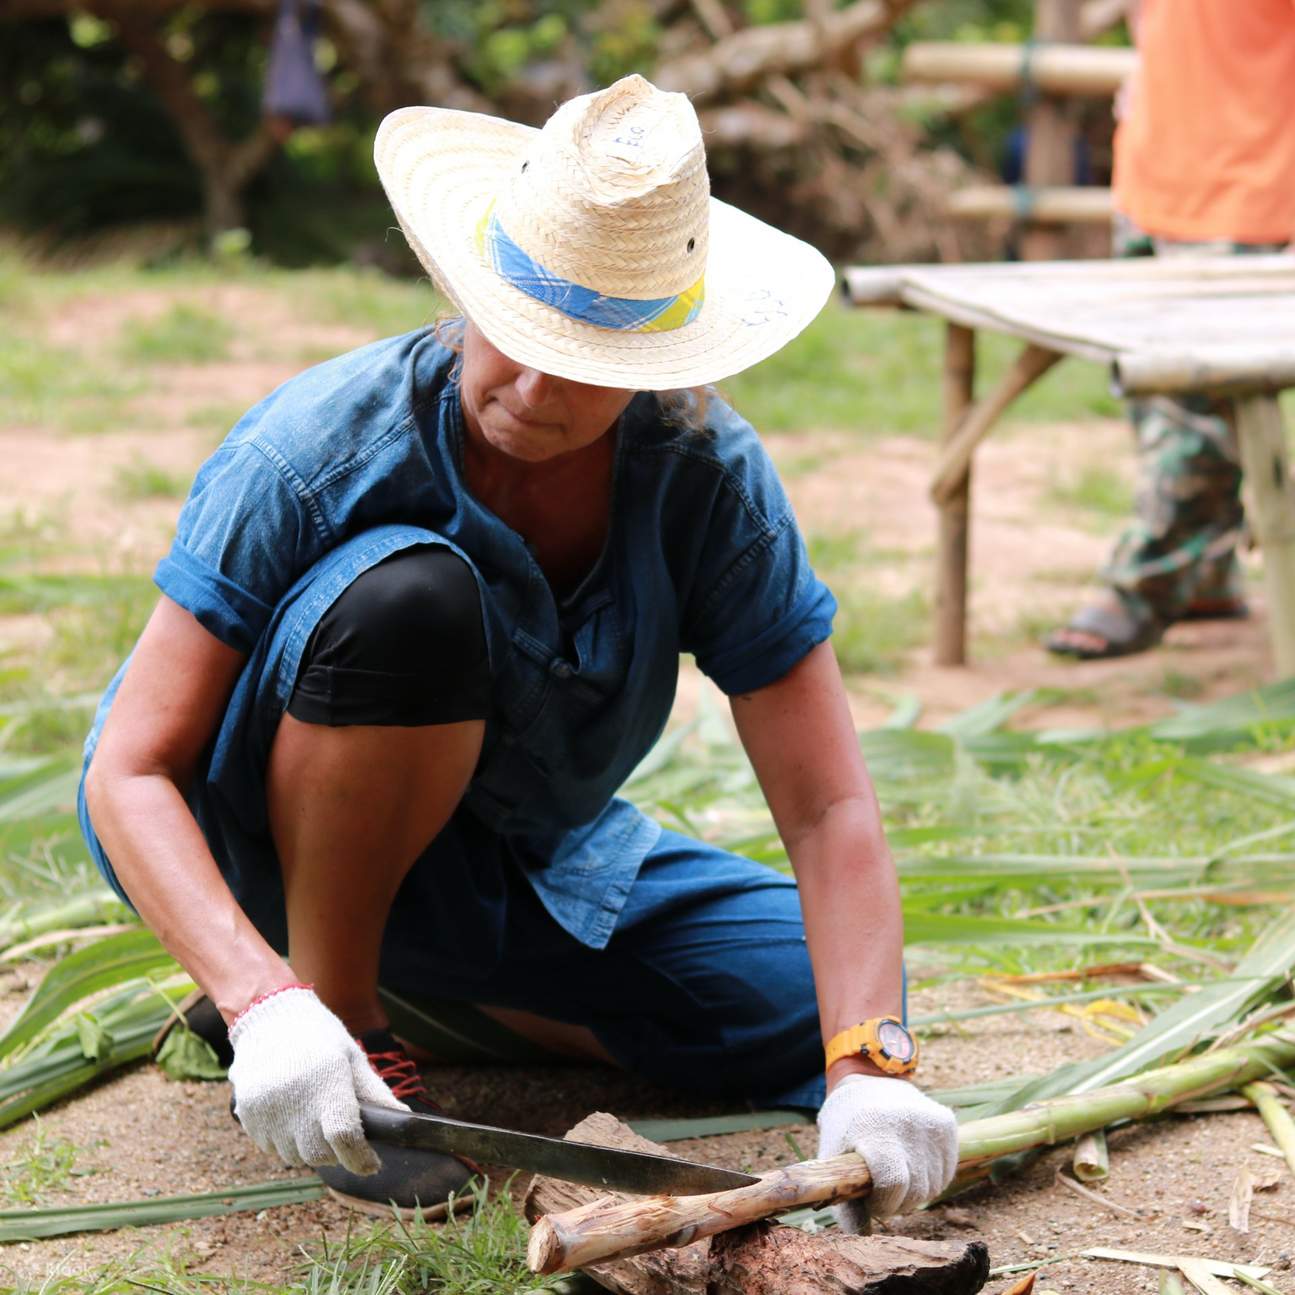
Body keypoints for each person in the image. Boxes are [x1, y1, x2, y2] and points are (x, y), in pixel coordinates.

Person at [78, 75, 957, 1221]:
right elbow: (128, 768)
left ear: (661, 360)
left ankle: (414, 984)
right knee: (412, 604)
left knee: (808, 1000)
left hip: (525, 857)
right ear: (468, 286)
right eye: (519, 327)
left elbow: (828, 810)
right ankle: (332, 1011)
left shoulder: (705, 483)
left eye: (587, 357)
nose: (534, 388)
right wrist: (264, 1004)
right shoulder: (314, 449)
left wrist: (867, 1069)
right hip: (254, 832)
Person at [1045, 0, 1295, 660]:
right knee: (1155, 407)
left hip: (1251, 195)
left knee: (1193, 415)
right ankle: (1206, 572)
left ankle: (1144, 585)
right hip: (1153, 184)